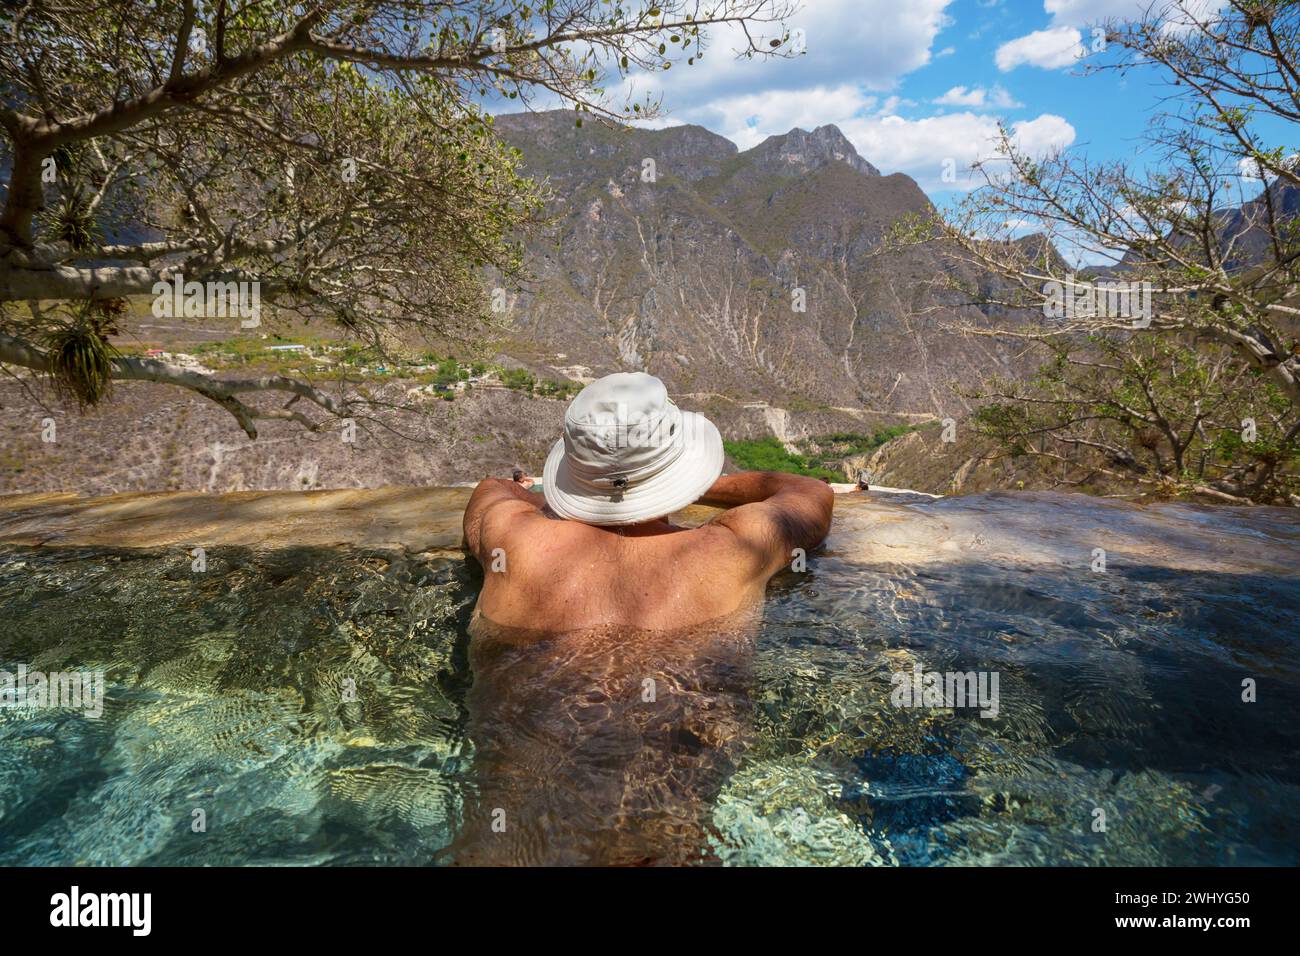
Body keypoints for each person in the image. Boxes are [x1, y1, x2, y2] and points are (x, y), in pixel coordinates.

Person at [461, 371, 835, 633]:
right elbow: (811, 493)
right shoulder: (733, 548)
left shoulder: (512, 536)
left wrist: (570, 500)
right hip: (690, 742)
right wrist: (689, 486)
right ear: (680, 475)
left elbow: (493, 487)